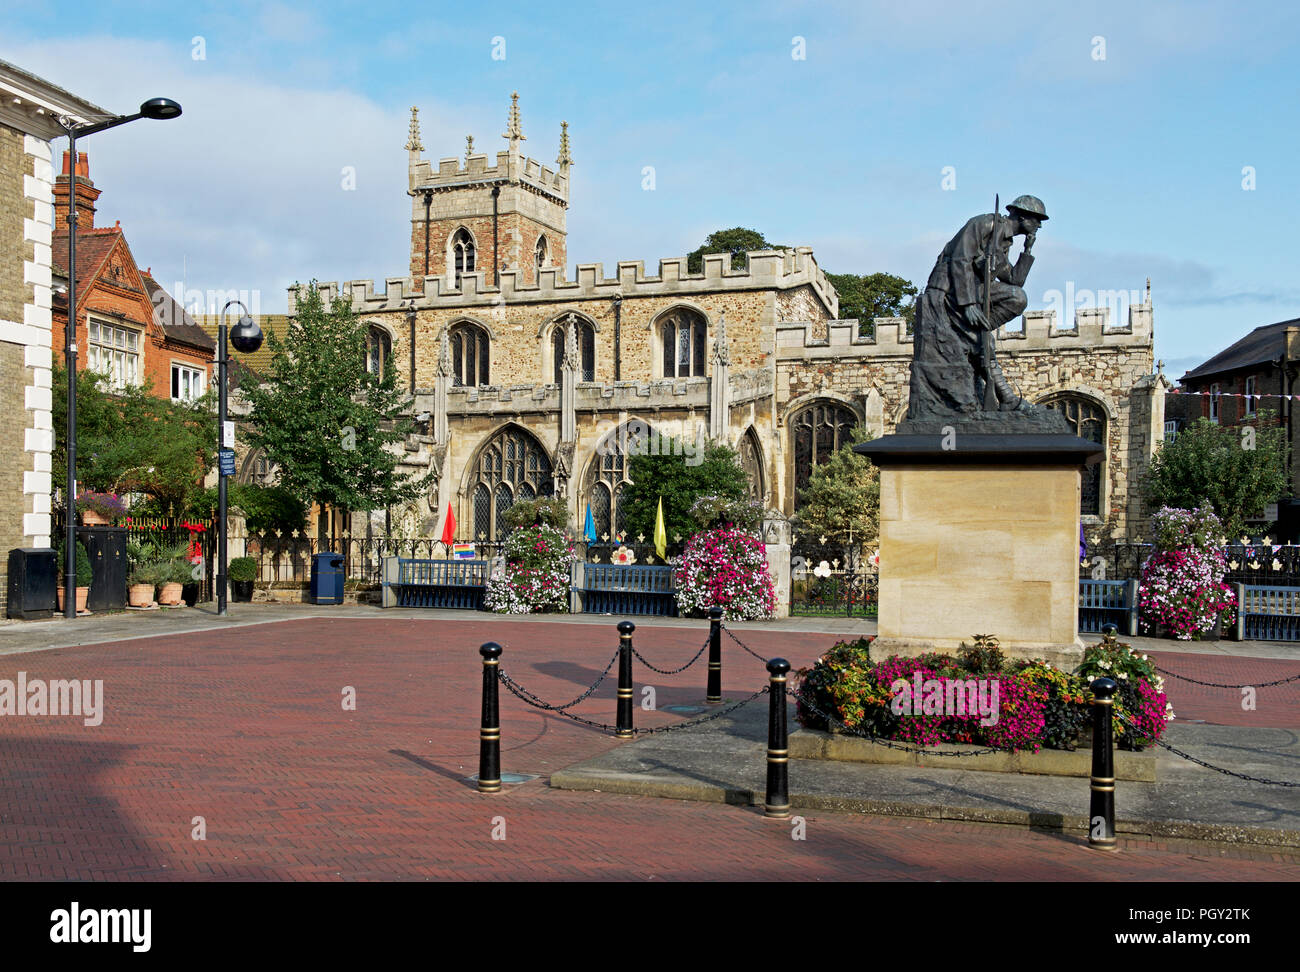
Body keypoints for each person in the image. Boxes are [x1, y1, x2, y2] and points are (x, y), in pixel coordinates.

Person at [907, 195, 1048, 418]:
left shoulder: (1005, 242)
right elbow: (960, 260)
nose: (1039, 225)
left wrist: (1027, 251)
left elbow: (1013, 279)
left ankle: (973, 333)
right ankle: (1008, 398)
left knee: (1018, 298)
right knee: (984, 343)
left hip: (973, 291)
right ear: (1023, 216)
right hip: (950, 290)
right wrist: (969, 304)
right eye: (1037, 219)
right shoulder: (984, 224)